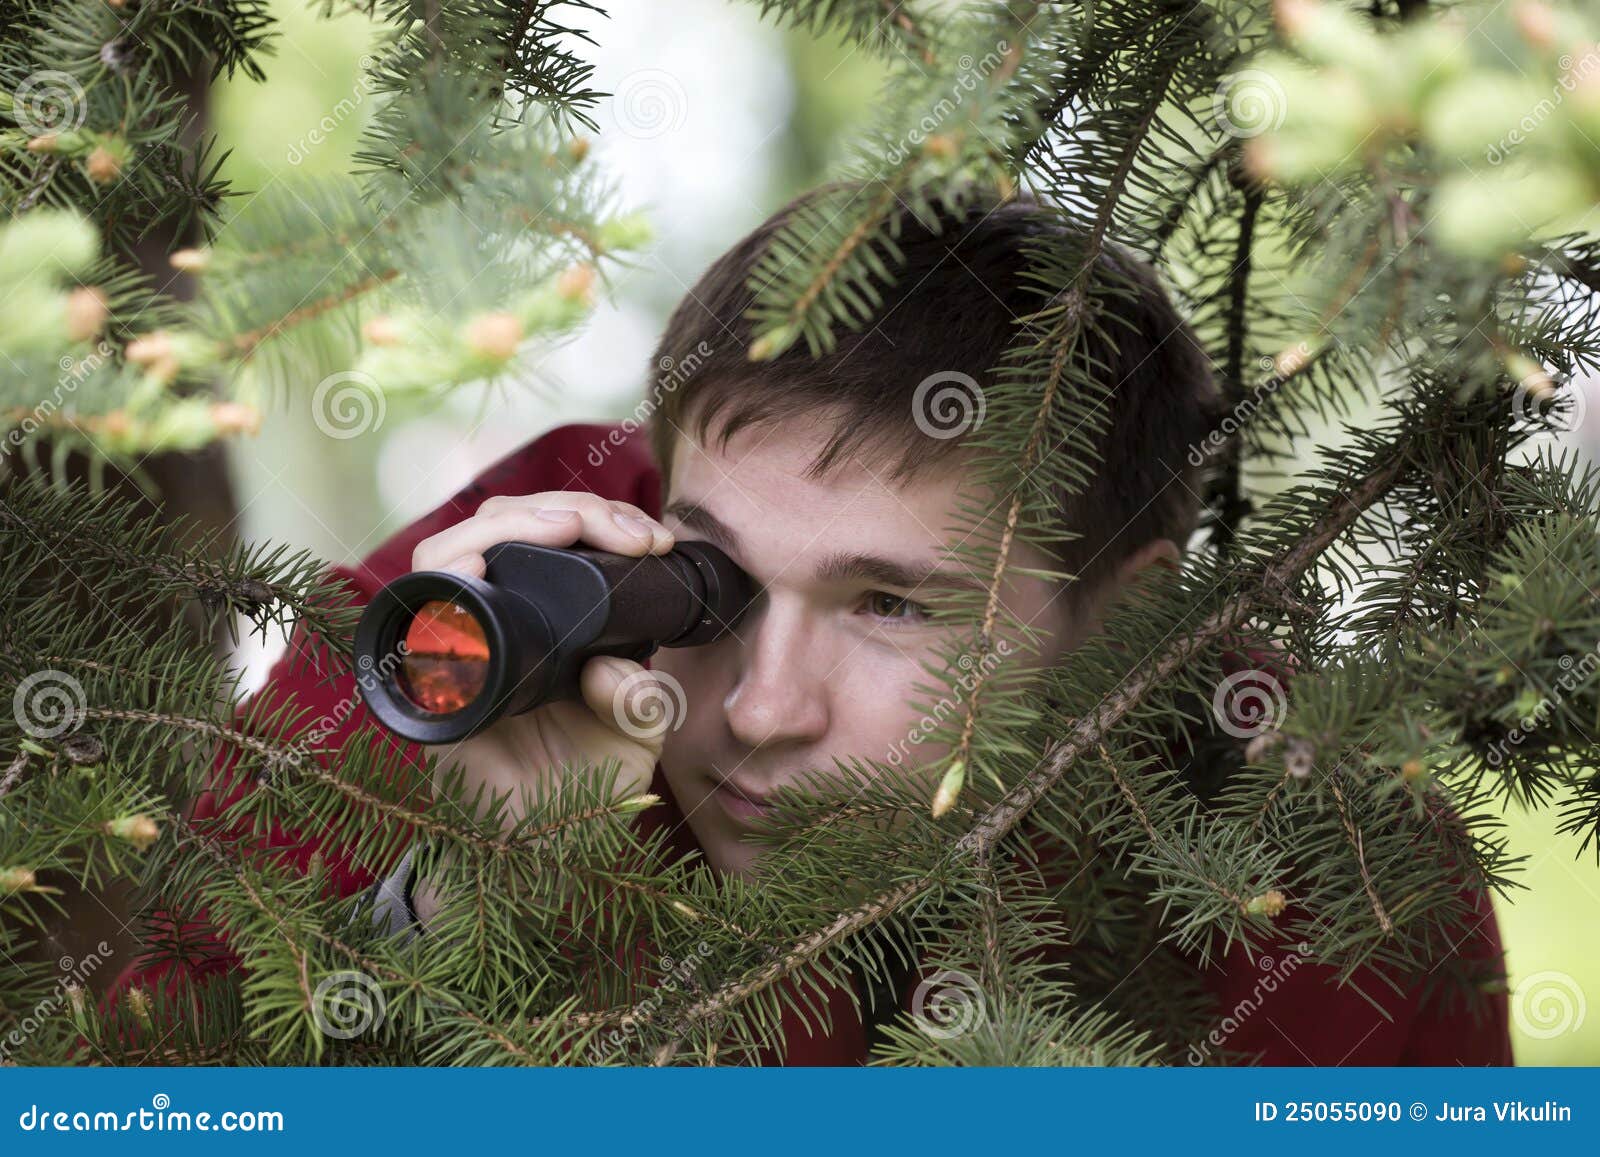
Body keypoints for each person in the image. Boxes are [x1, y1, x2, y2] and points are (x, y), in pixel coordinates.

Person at [108, 187, 1513, 1066]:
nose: (760, 709)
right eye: (710, 582)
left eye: (892, 604)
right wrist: (458, 903)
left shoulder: (1333, 871)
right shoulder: (475, 621)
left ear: (1123, 624)